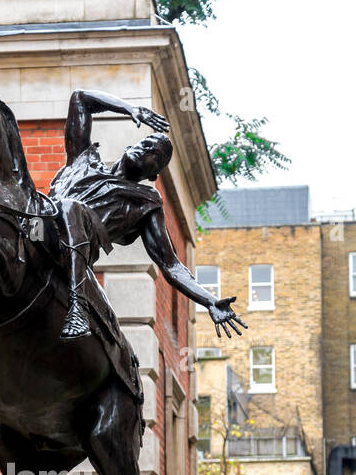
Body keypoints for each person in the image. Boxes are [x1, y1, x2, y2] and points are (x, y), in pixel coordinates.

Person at [50, 90, 246, 341]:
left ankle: (77, 306)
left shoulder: (146, 202)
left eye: (155, 154)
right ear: (130, 146)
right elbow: (80, 99)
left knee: (70, 208)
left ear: (154, 175)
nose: (147, 149)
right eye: (146, 143)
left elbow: (171, 265)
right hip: (40, 225)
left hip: (70, 254)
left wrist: (209, 300)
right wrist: (131, 109)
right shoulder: (83, 159)